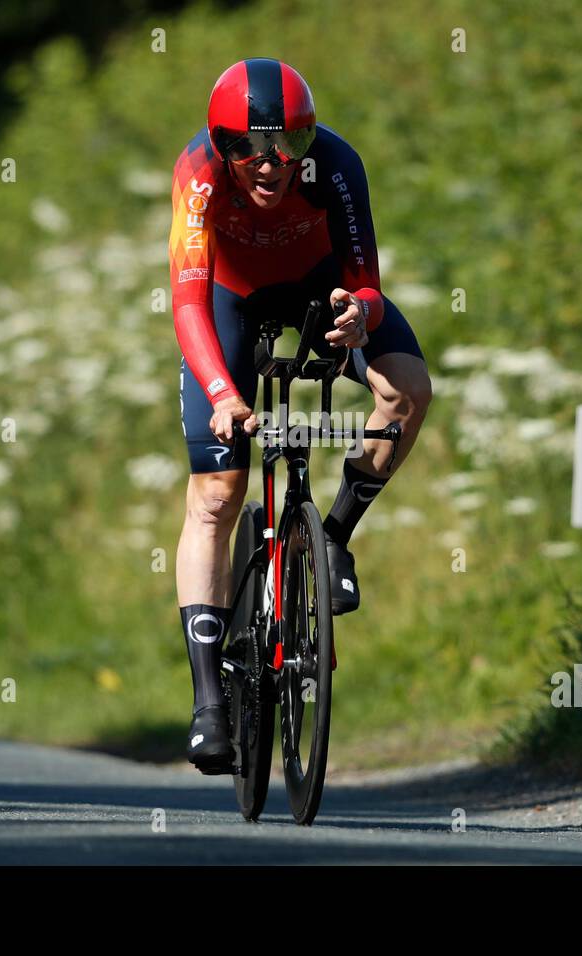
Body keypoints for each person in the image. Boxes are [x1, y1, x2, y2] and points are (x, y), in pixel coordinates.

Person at [168, 58, 432, 773]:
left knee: (407, 388)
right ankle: (209, 704)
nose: (269, 162)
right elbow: (188, 301)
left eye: (289, 142)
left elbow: (365, 283)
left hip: (319, 291)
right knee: (219, 493)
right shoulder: (198, 174)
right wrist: (225, 395)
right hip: (228, 300)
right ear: (223, 145)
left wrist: (361, 316)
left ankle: (334, 535)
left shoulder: (336, 166)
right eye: (249, 147)